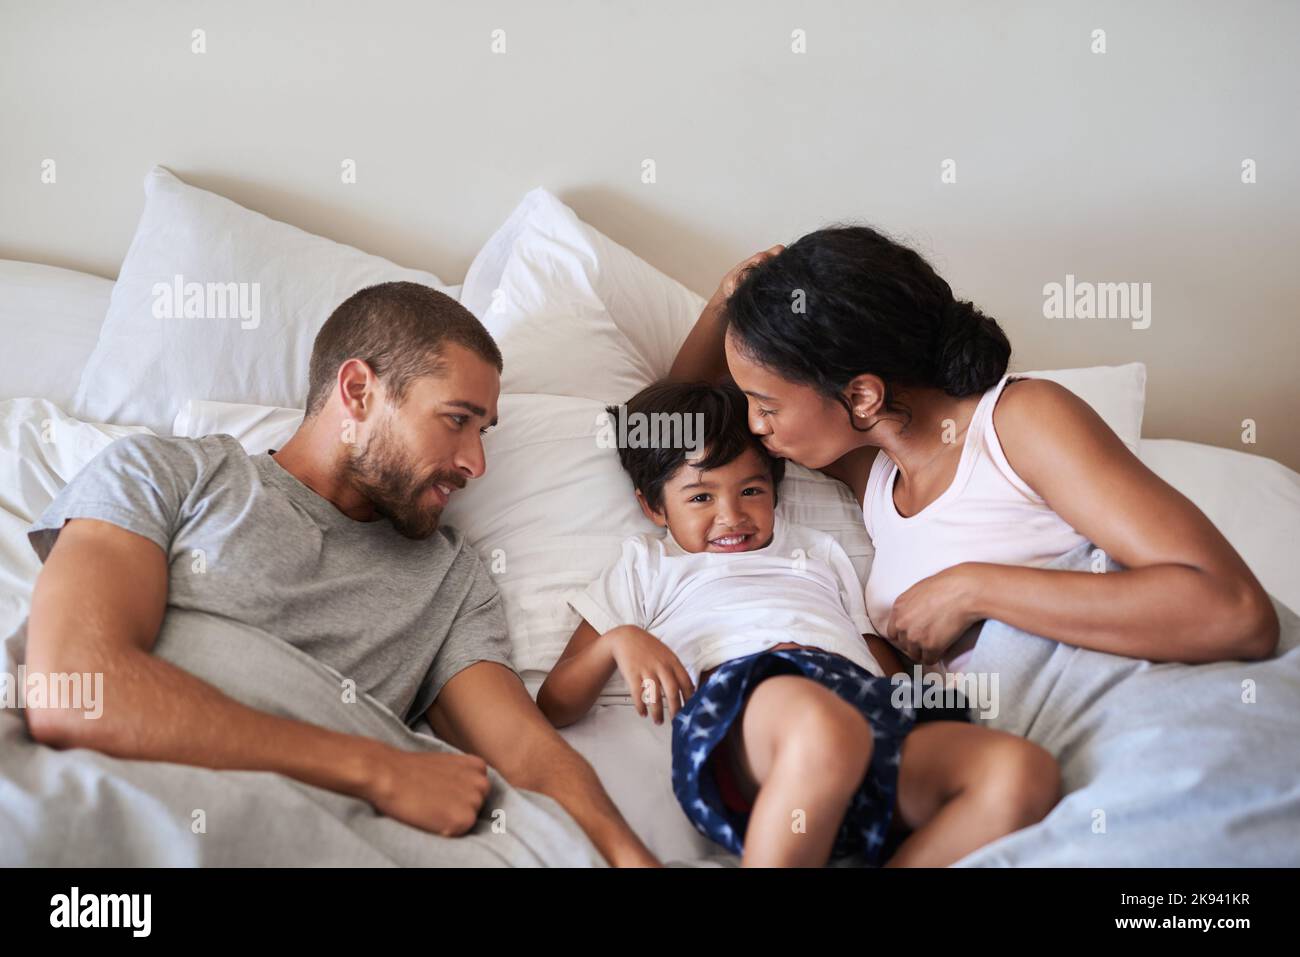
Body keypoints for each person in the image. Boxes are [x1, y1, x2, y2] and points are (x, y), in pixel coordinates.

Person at [21, 281, 657, 866]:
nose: (475, 462)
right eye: (457, 419)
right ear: (358, 391)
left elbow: (528, 759)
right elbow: (74, 691)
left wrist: (632, 860)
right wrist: (379, 768)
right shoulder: (168, 474)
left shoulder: (452, 579)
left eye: (484, 431)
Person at [668, 230, 1279, 670]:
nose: (755, 425)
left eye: (766, 406)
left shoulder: (1020, 421)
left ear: (861, 397)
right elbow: (678, 419)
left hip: (1154, 713)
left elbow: (1234, 611)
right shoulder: (875, 475)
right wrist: (733, 300)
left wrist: (972, 588)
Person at [538, 380, 1059, 867]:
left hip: (858, 704)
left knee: (1019, 775)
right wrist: (620, 642)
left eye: (752, 491)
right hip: (743, 710)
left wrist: (907, 689)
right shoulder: (648, 565)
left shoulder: (818, 551)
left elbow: (871, 651)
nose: (732, 516)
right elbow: (556, 704)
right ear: (653, 507)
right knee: (823, 728)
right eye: (701, 497)